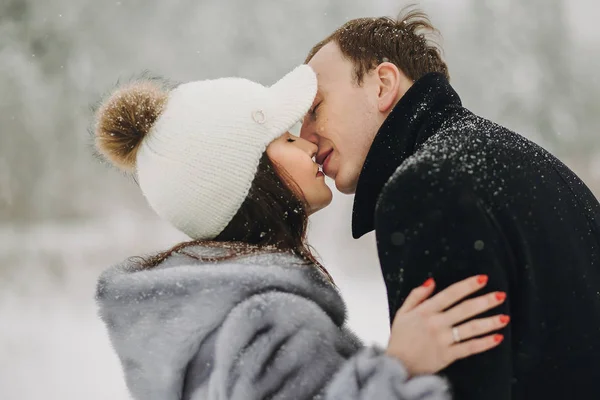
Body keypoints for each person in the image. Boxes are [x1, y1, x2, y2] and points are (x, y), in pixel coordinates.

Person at [92, 66, 509, 400]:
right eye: (288, 137)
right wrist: (399, 368)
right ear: (250, 176)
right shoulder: (266, 320)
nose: (309, 144)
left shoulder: (206, 315)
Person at [299, 7, 600, 400]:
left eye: (315, 108)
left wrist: (398, 370)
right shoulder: (544, 169)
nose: (305, 137)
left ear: (382, 85)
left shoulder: (425, 188)